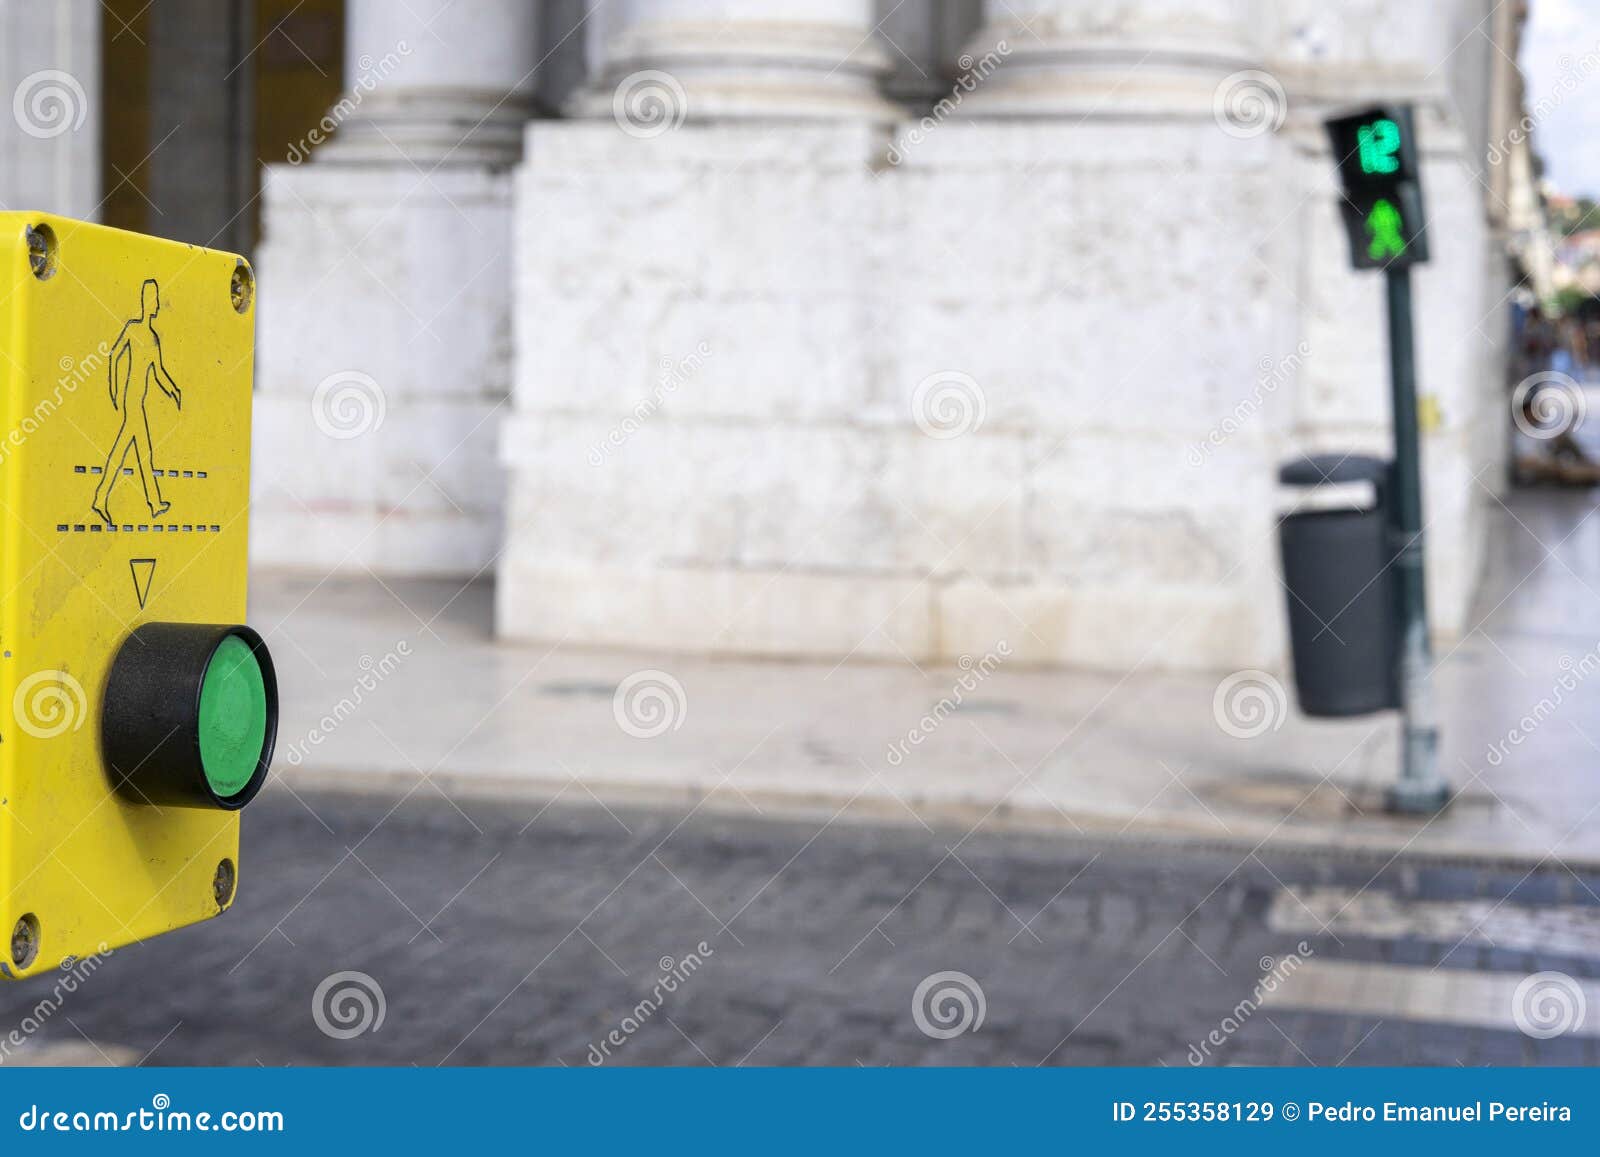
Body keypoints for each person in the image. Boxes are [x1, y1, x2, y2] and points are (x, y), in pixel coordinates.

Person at [91, 279, 182, 525]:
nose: (157, 307)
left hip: (138, 403)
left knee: (132, 452)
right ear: (146, 302)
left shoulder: (153, 338)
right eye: (153, 301)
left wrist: (173, 390)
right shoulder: (133, 329)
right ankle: (149, 502)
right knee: (139, 453)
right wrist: (113, 390)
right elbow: (114, 355)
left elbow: (158, 371)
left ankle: (108, 499)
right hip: (131, 402)